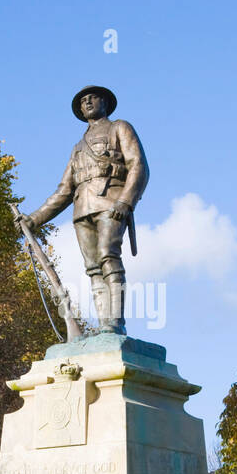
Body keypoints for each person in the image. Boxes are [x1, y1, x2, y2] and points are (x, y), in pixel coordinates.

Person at [23, 86, 148, 334]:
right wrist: (34, 219)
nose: (88, 101)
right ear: (80, 110)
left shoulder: (119, 128)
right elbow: (64, 191)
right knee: (92, 268)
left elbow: (139, 166)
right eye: (83, 100)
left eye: (93, 97)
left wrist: (126, 201)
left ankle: (116, 323)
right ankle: (105, 325)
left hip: (111, 203)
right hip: (82, 211)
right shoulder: (77, 148)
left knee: (107, 255)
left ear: (105, 102)